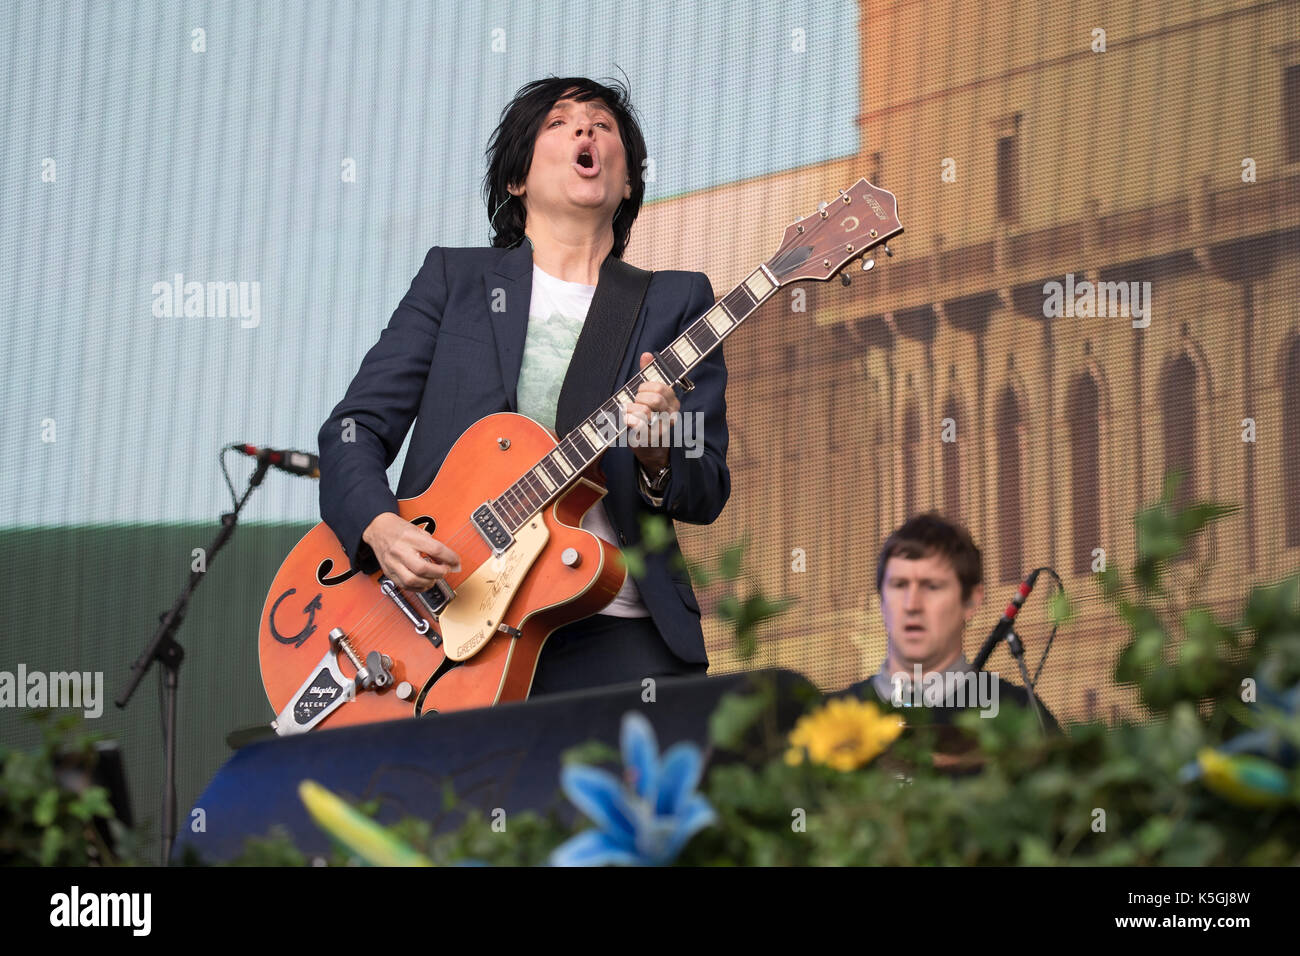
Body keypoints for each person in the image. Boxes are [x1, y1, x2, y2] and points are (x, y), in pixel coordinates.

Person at [316, 76, 729, 697]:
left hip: (617, 625)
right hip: (446, 626)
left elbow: (707, 484)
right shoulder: (455, 280)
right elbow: (354, 430)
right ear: (517, 179)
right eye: (559, 123)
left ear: (628, 181)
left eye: (603, 124)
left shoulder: (677, 300)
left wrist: (662, 453)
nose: (586, 130)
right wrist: (379, 527)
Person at [847, 512, 1060, 734]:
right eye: (899, 585)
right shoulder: (830, 717)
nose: (912, 605)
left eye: (932, 586)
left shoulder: (1022, 718)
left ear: (971, 601)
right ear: (881, 598)